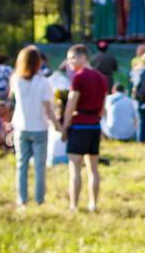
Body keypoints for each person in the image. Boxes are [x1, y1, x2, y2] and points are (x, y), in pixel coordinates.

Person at [59, 44, 108, 213]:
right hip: (94, 125)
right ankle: (93, 204)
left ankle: (74, 205)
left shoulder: (78, 77)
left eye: (72, 57)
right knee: (93, 169)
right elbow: (103, 107)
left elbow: (70, 105)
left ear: (83, 57)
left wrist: (65, 127)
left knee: (75, 168)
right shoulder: (102, 78)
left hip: (79, 125)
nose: (69, 62)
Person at [10, 46, 59, 209]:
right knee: (39, 167)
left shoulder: (16, 80)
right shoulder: (43, 82)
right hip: (39, 127)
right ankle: (39, 200)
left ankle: (22, 200)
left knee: (21, 165)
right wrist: (57, 125)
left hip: (21, 127)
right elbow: (47, 108)